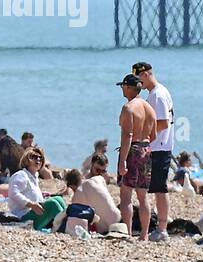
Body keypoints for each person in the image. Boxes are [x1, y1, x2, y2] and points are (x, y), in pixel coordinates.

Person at [133, 61, 174, 241]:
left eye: (139, 79)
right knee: (156, 187)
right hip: (158, 145)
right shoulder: (156, 93)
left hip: (160, 146)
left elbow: (163, 122)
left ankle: (162, 228)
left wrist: (146, 139)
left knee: (159, 188)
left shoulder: (157, 95)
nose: (139, 84)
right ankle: (160, 226)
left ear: (146, 74)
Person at [115, 74, 156, 240]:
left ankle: (129, 233)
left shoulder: (129, 108)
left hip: (133, 150)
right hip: (146, 149)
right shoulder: (149, 108)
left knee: (125, 195)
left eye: (122, 87)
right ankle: (144, 235)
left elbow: (127, 135)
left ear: (128, 87)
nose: (122, 90)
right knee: (143, 195)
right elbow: (153, 135)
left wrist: (123, 160)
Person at [7, 148, 66, 230]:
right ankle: (65, 227)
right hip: (23, 216)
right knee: (53, 204)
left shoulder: (34, 177)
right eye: (34, 157)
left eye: (40, 158)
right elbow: (13, 194)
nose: (38, 159)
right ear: (27, 160)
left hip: (34, 212)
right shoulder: (21, 175)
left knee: (59, 199)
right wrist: (32, 205)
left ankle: (69, 222)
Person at [72, 153, 121, 234]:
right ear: (91, 164)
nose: (100, 173)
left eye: (104, 171)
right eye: (97, 170)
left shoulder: (103, 178)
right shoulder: (84, 179)